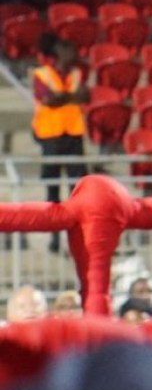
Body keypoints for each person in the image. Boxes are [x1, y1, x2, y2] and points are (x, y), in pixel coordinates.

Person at [31, 33, 87, 253]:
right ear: (59, 53)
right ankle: (54, 239)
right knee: (52, 192)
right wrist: (70, 97)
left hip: (73, 135)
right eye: (69, 50)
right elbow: (47, 99)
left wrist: (62, 97)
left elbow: (84, 96)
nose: (73, 55)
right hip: (50, 136)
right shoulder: (41, 74)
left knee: (77, 191)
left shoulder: (76, 74)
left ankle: (77, 236)